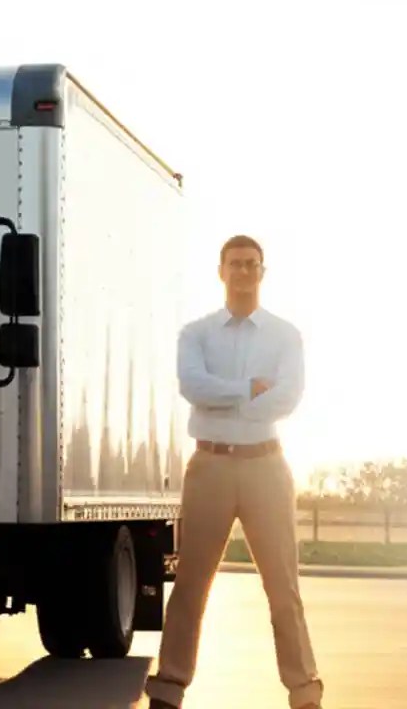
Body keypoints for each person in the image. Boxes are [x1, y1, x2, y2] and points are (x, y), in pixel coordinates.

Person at [146, 235, 323, 709]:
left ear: (262, 272)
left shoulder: (285, 335)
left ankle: (304, 691)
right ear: (221, 271)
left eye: (251, 264)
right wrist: (249, 390)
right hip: (211, 466)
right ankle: (169, 688)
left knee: (283, 587)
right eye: (235, 264)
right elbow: (192, 387)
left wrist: (225, 398)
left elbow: (288, 397)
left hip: (267, 466)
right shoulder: (197, 334)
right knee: (191, 583)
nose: (243, 272)